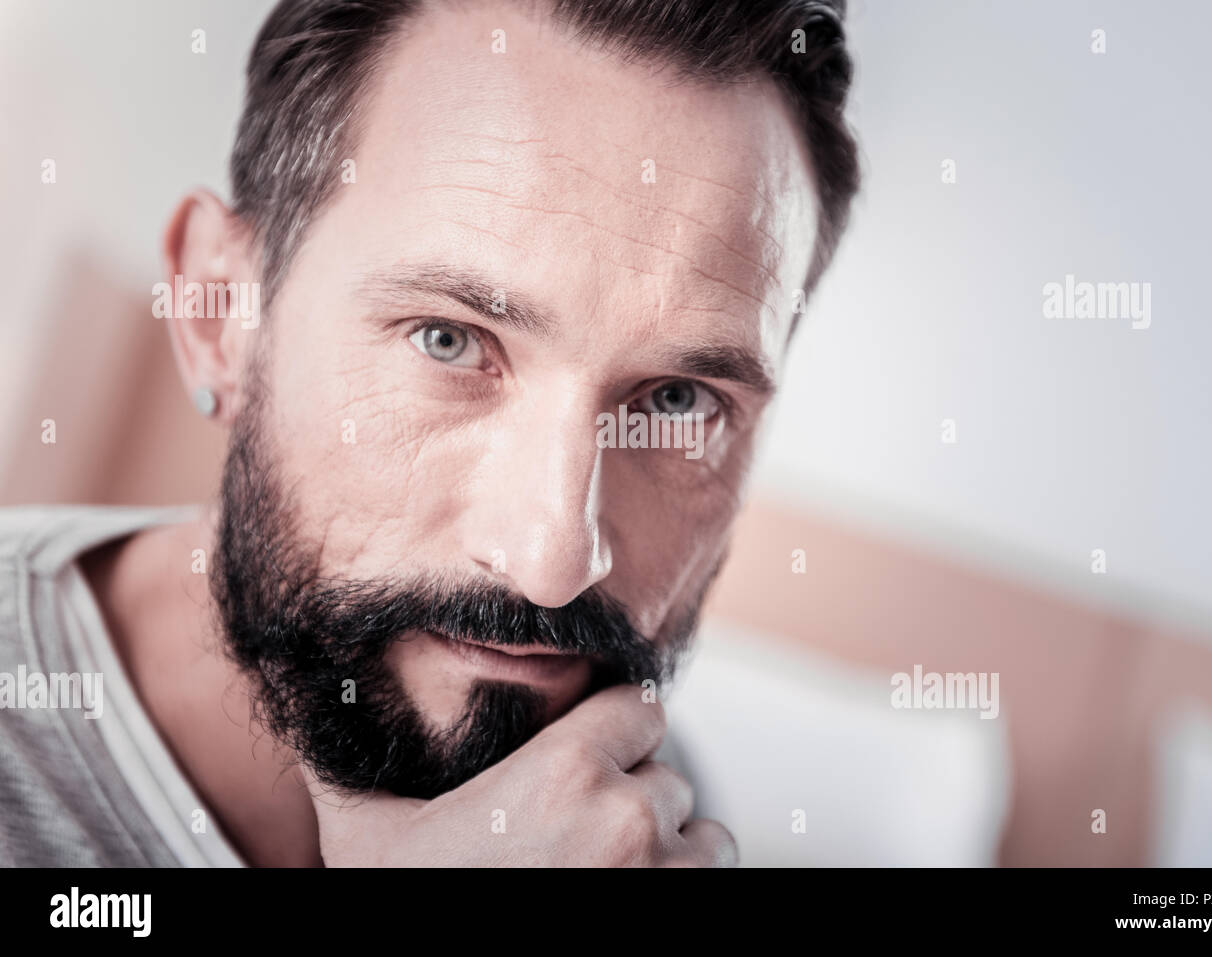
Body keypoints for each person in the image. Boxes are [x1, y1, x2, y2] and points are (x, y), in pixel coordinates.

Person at [0, 0, 859, 867]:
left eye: (677, 399)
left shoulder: (636, 814)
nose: (551, 564)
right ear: (219, 314)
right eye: (448, 340)